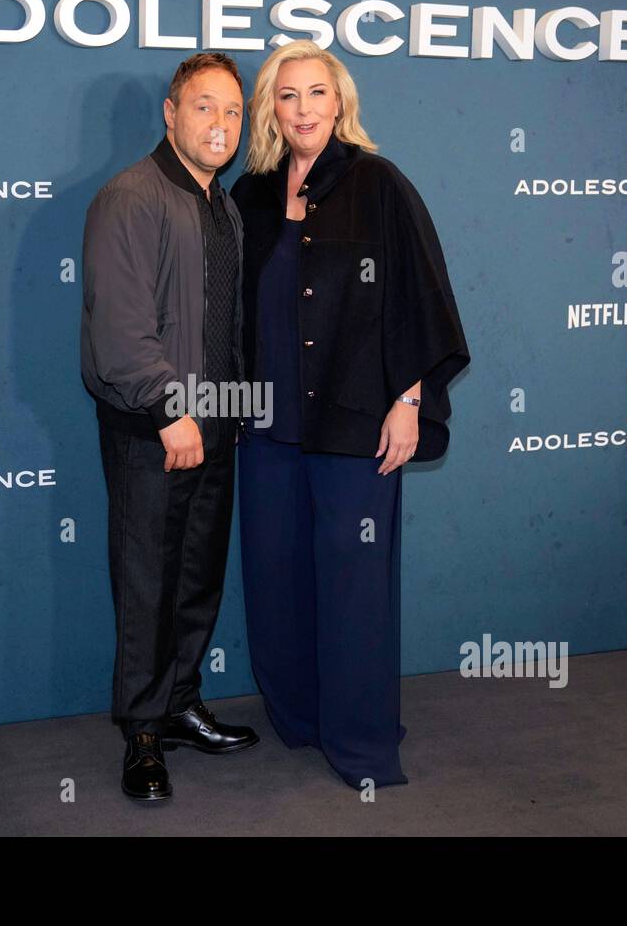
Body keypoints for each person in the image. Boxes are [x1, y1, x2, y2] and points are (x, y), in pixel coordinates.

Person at [229, 40, 471, 790]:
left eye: (316, 94)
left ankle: (363, 743)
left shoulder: (378, 184)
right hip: (266, 428)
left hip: (355, 423)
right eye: (287, 95)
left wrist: (409, 401)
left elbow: (422, 298)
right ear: (271, 107)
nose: (303, 109)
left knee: (354, 587)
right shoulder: (252, 195)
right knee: (275, 579)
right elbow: (226, 311)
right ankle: (300, 721)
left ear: (342, 104)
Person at [80, 53, 260, 802]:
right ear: (171, 112)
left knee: (195, 577)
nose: (220, 125)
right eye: (204, 108)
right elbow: (121, 327)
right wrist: (167, 409)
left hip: (215, 426)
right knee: (148, 580)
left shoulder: (224, 205)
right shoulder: (131, 196)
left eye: (232, 112)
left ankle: (181, 703)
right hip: (154, 427)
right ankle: (143, 733)